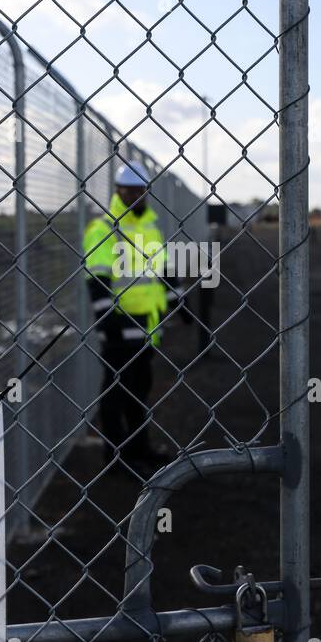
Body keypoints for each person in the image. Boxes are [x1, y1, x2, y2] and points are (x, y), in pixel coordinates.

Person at [82, 161, 183, 468]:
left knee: (140, 389)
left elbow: (163, 269)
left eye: (142, 190)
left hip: (148, 327)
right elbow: (97, 279)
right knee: (115, 392)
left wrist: (177, 299)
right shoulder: (104, 229)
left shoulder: (150, 226)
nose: (138, 196)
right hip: (119, 328)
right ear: (119, 191)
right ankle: (114, 457)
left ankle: (139, 448)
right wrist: (107, 320)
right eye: (131, 190)